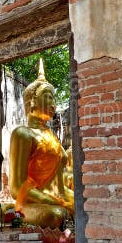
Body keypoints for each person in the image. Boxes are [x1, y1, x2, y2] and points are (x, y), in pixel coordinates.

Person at [8, 59, 73, 229]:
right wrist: (56, 202)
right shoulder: (23, 134)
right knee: (55, 215)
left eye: (54, 98)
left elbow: (59, 184)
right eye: (47, 97)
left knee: (87, 206)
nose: (53, 103)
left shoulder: (52, 137)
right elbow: (16, 188)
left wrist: (68, 201)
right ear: (31, 102)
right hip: (35, 202)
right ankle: (10, 213)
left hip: (58, 197)